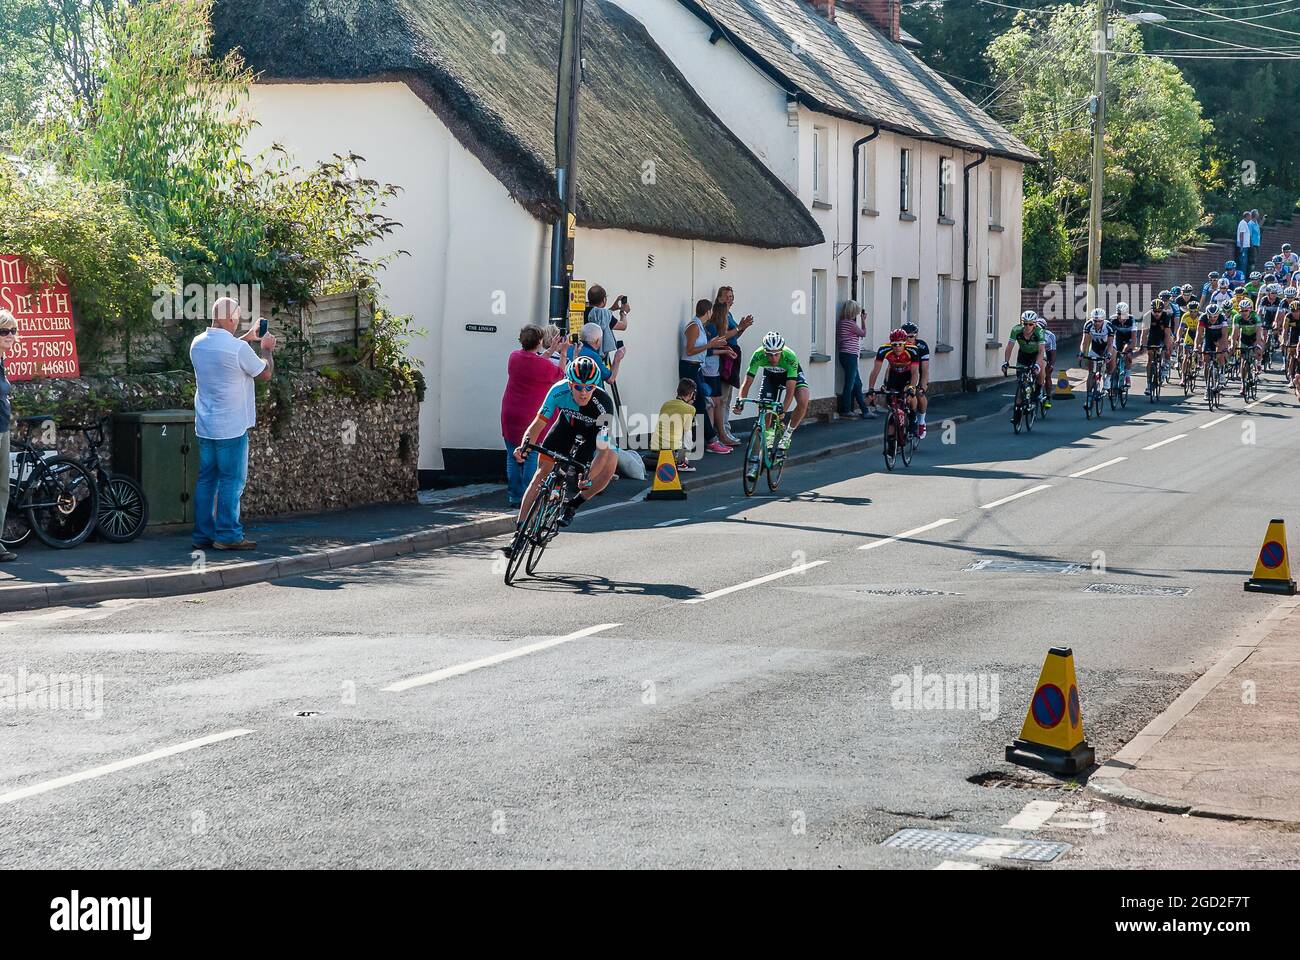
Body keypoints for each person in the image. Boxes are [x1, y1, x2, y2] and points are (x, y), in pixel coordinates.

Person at [190, 297, 275, 551]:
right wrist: (267, 349)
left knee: (207, 480)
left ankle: (202, 535)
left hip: (206, 425)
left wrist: (247, 337)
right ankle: (227, 535)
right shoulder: (237, 349)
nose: (238, 320)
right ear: (230, 318)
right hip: (231, 426)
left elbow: (224, 351)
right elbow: (265, 374)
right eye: (236, 316)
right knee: (231, 481)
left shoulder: (198, 343)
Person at [507, 356, 617, 552]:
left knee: (609, 464)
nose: (583, 393)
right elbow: (538, 423)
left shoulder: (604, 404)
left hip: (592, 436)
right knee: (540, 475)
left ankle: (573, 505)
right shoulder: (559, 390)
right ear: (570, 383)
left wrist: (588, 477)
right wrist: (524, 445)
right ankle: (519, 533)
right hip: (565, 429)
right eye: (578, 387)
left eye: (589, 388)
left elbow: (601, 450)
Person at [501, 324, 563, 508]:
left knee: (513, 456)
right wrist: (563, 353)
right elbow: (560, 375)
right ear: (539, 342)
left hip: (510, 412)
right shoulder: (543, 365)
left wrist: (551, 350)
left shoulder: (514, 357)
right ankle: (529, 495)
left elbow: (534, 361)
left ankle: (514, 496)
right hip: (530, 416)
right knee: (531, 455)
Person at [732, 331, 811, 457]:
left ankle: (787, 434)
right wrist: (740, 401)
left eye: (776, 354)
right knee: (764, 413)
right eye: (769, 354)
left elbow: (790, 391)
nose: (773, 358)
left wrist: (782, 411)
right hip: (771, 377)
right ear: (764, 352)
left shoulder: (790, 357)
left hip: (789, 375)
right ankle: (761, 452)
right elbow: (746, 383)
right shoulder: (758, 355)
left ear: (781, 351)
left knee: (803, 400)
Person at [681, 298, 732, 453]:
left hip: (697, 367)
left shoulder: (700, 326)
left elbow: (702, 349)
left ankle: (703, 439)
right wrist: (710, 345)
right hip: (690, 367)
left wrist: (719, 347)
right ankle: (711, 440)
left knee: (702, 403)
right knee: (700, 404)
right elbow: (689, 351)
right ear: (708, 311)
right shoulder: (694, 327)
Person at [714, 286, 754, 445]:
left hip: (731, 354)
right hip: (725, 356)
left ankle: (725, 429)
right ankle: (722, 432)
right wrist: (739, 327)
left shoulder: (728, 314)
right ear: (719, 298)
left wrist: (742, 328)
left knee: (727, 396)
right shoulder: (720, 314)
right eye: (727, 296)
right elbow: (723, 335)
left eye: (732, 296)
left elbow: (734, 335)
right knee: (723, 397)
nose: (730, 299)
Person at [867, 329, 921, 421]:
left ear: (905, 343)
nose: (897, 347)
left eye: (900, 344)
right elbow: (875, 371)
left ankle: (913, 418)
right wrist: (871, 389)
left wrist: (912, 388)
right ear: (891, 344)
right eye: (894, 344)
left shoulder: (913, 350)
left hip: (908, 374)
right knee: (891, 399)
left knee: (910, 396)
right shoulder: (884, 349)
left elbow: (915, 372)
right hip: (894, 374)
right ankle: (894, 421)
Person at [654, 378, 701, 474]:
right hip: (672, 447)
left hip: (657, 446)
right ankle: (681, 462)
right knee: (690, 430)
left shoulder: (666, 404)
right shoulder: (690, 409)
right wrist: (688, 451)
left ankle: (674, 458)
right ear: (692, 394)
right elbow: (687, 433)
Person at [0, 310, 18, 562]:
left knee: (2, 488)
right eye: (4, 331)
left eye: (13, 331)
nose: (10, 335)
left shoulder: (2, 362)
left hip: (2, 428)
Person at [836, 300, 870, 419]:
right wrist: (864, 320)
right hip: (850, 355)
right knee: (850, 383)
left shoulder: (841, 323)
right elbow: (863, 333)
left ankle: (864, 410)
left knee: (857, 383)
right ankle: (846, 410)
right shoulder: (850, 323)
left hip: (845, 354)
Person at [1002, 310, 1046, 402]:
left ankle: (1038, 389)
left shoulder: (1039, 331)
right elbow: (1009, 347)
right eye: (1025, 324)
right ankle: (1019, 408)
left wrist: (1037, 365)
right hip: (1024, 354)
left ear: (1034, 324)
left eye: (1030, 324)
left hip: (1037, 354)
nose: (1027, 326)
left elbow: (1041, 350)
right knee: (1022, 381)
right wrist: (1006, 362)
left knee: (1041, 369)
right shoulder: (1016, 330)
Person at [900, 321, 932, 434]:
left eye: (911, 336)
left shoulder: (921, 346)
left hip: (918, 373)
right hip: (904, 374)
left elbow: (925, 369)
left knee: (919, 393)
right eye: (905, 336)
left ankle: (921, 421)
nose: (908, 339)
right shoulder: (899, 345)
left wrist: (922, 386)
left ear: (916, 335)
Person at [1140, 298, 1174, 396]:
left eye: (1159, 311)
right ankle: (1148, 384)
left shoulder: (1166, 316)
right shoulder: (1147, 316)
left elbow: (1167, 334)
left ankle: (1166, 364)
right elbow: (1144, 333)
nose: (1157, 313)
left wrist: (1167, 348)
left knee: (1168, 346)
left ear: (1162, 310)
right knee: (1150, 359)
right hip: (1152, 335)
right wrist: (1143, 345)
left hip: (1163, 335)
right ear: (1151, 310)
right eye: (1155, 311)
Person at [584, 285, 629, 358]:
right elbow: (623, 326)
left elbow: (598, 316)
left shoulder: (582, 311)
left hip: (583, 350)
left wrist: (611, 309)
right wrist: (623, 313)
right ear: (604, 300)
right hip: (598, 355)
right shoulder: (605, 315)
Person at [1080, 307, 1115, 396]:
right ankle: (1088, 396)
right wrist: (1081, 353)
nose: (1097, 323)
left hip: (1107, 345)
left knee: (1112, 356)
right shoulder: (1088, 325)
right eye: (1095, 321)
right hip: (1095, 346)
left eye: (1099, 321)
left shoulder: (1109, 326)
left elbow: (1110, 344)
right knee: (1091, 372)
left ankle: (1108, 377)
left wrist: (1109, 354)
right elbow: (1084, 342)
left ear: (1103, 320)